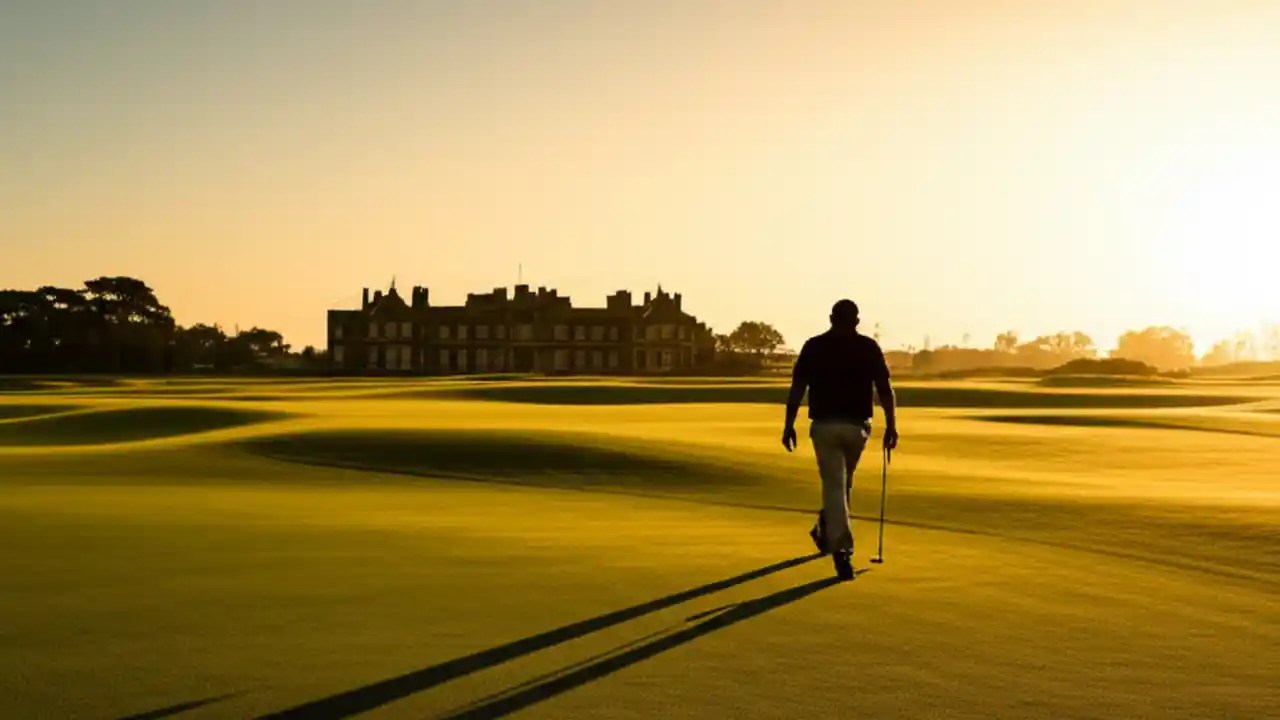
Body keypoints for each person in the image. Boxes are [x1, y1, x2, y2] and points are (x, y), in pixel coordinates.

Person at [782, 299, 898, 580]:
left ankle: (831, 534)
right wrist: (892, 426)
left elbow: (798, 388)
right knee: (838, 485)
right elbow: (885, 389)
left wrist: (789, 424)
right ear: (856, 321)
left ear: (831, 318)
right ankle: (840, 548)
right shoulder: (868, 347)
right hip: (855, 428)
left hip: (826, 426)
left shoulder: (814, 346)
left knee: (838, 485)